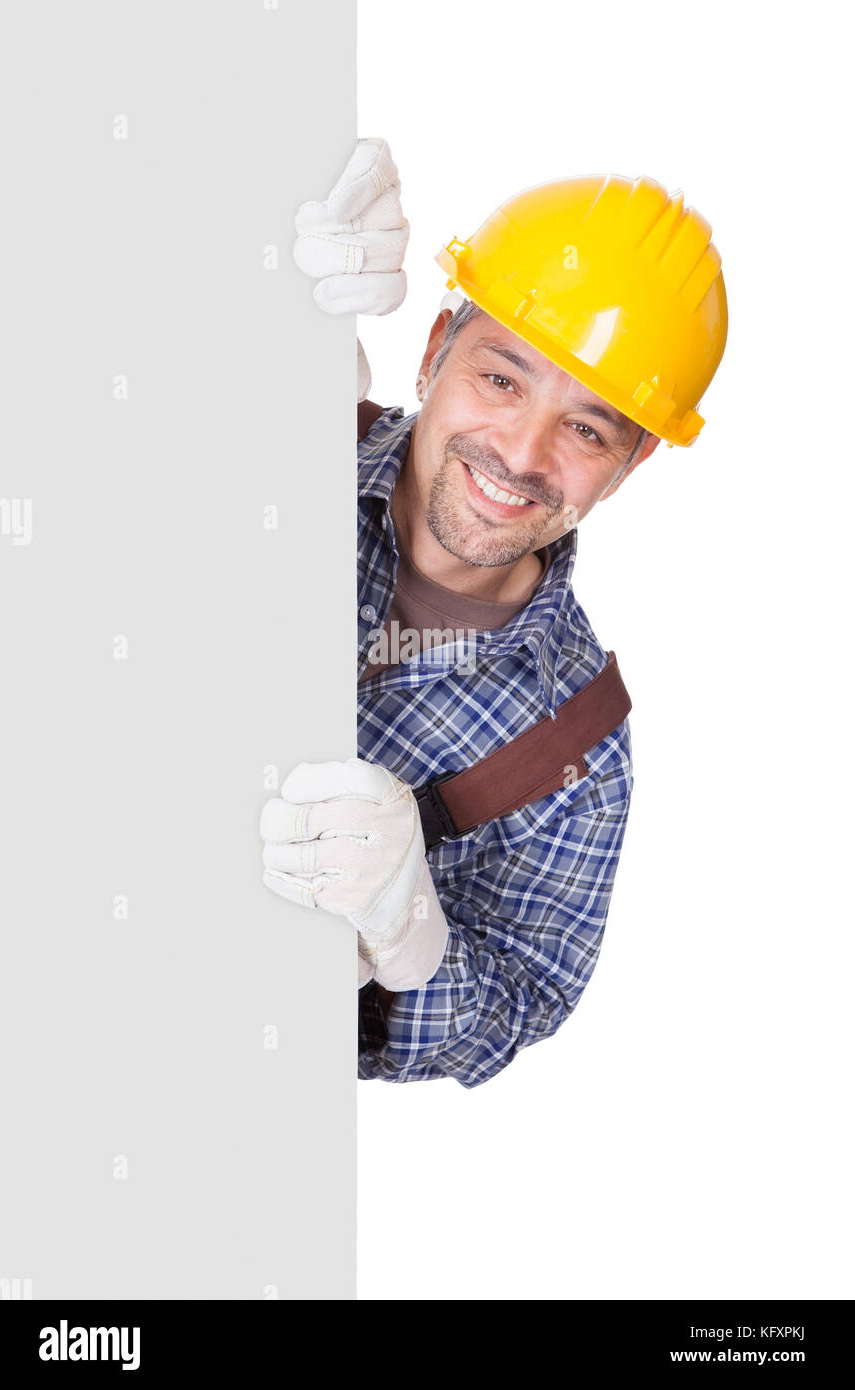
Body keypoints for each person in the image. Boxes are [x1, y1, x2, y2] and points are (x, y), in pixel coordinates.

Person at [260, 139, 727, 1088]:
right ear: (434, 352)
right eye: (501, 378)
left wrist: (409, 936)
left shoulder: (577, 756)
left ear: (628, 466)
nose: (521, 451)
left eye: (588, 428)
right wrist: (257, 273)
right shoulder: (284, 429)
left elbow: (518, 999)